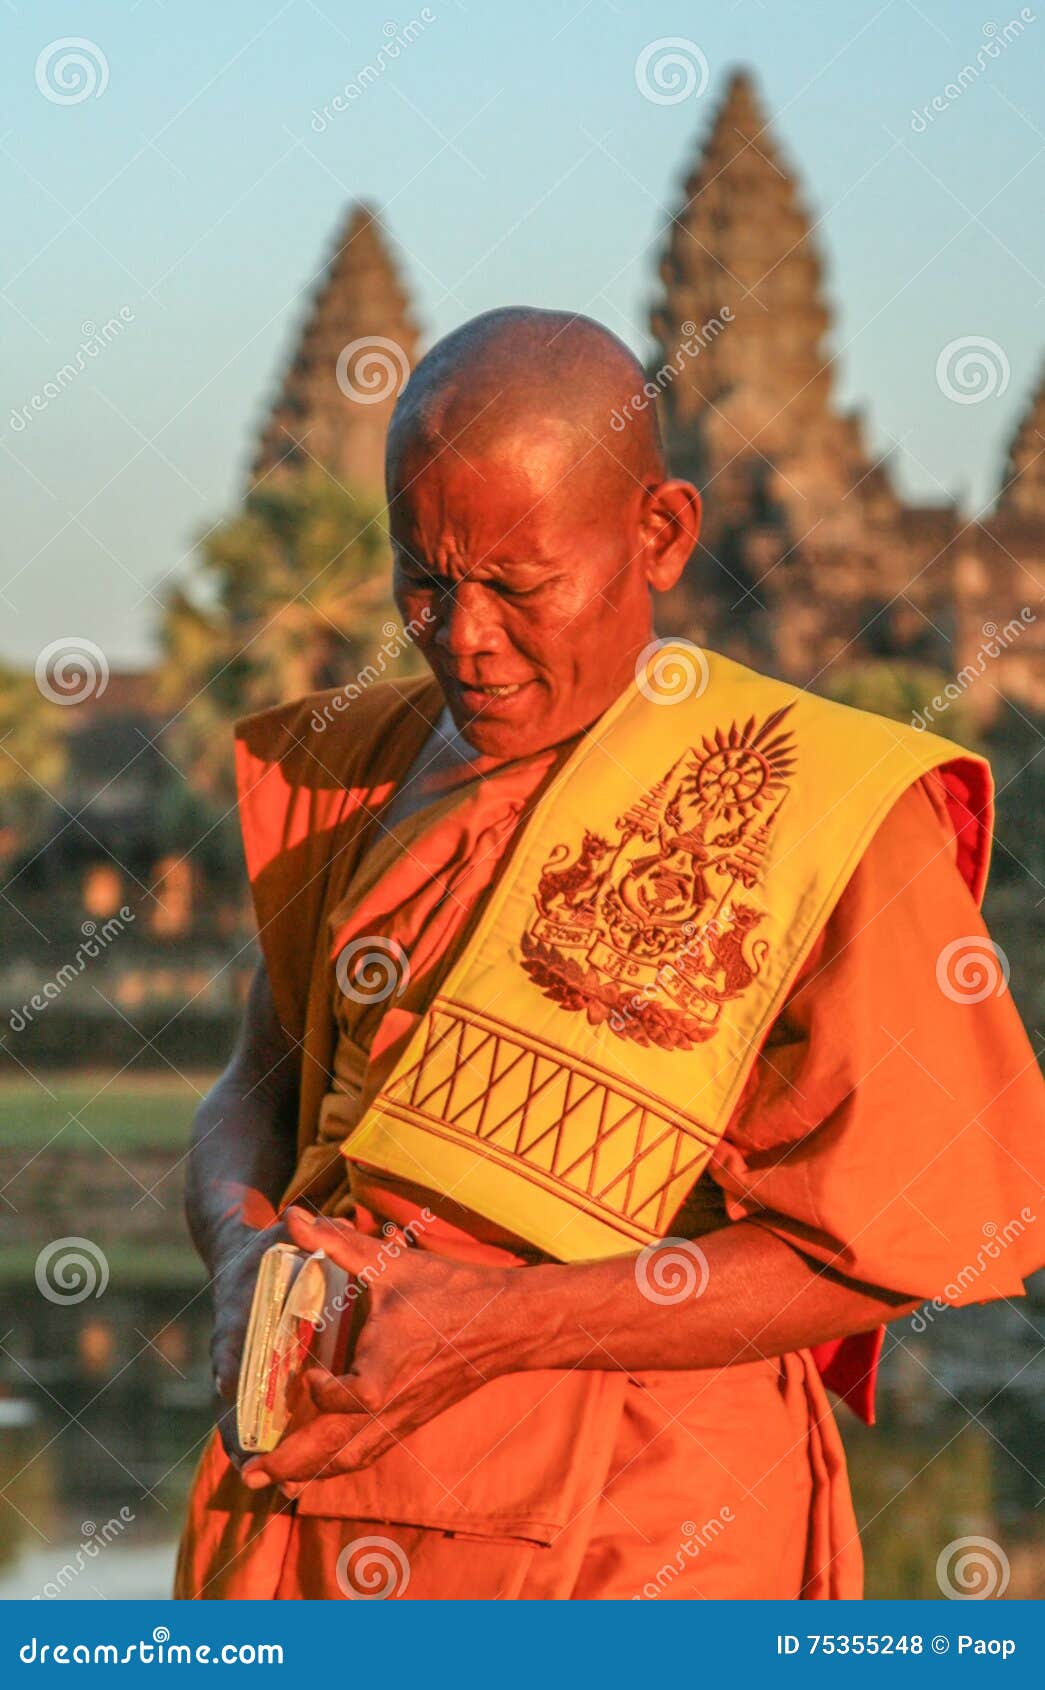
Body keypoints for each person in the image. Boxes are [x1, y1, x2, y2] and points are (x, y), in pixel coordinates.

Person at [175, 307, 1044, 1601]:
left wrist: (494, 1327)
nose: (461, 635)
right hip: (308, 1510)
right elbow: (255, 1082)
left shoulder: (826, 812)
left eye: (518, 585)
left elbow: (880, 1239)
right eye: (425, 578)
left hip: (641, 1537)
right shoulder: (366, 775)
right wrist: (240, 1248)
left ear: (661, 534)